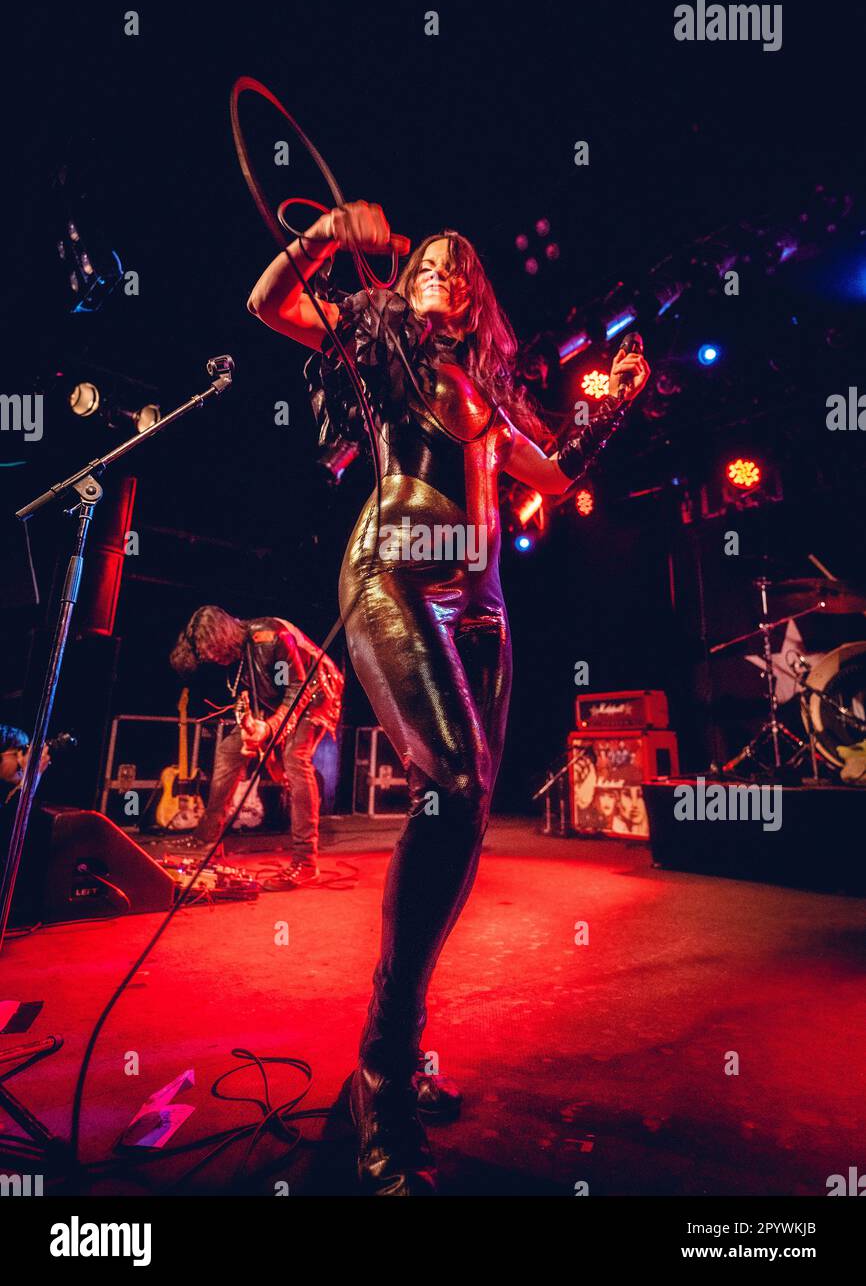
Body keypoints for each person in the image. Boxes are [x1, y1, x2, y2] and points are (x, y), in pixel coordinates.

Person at [247, 201, 649, 1193]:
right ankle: (381, 1082)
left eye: (452, 265)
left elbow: (551, 480)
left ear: (474, 296)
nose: (436, 271)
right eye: (422, 261)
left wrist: (613, 407)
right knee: (462, 780)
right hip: (393, 567)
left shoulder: (489, 397)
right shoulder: (379, 344)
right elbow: (268, 300)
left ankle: (389, 1052)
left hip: (482, 611)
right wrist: (338, 226)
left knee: (453, 819)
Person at [169, 607, 343, 885]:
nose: (212, 657)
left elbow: (297, 687)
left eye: (212, 650)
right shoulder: (240, 655)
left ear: (223, 636)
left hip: (317, 693)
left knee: (295, 758)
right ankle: (206, 839)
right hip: (279, 703)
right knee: (229, 750)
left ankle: (305, 861)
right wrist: (252, 728)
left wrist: (271, 727)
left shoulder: (271, 636)